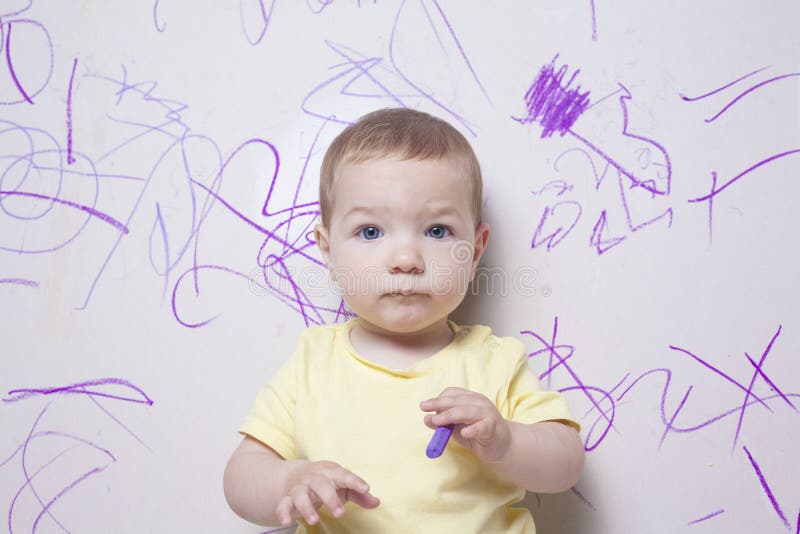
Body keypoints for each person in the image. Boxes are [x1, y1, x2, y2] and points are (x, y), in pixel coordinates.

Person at [223, 108, 584, 532]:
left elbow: (566, 463)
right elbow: (241, 474)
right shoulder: (312, 361)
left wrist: (506, 440)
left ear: (476, 247)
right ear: (328, 248)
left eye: (437, 231)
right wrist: (288, 479)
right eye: (371, 232)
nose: (407, 260)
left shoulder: (495, 361)